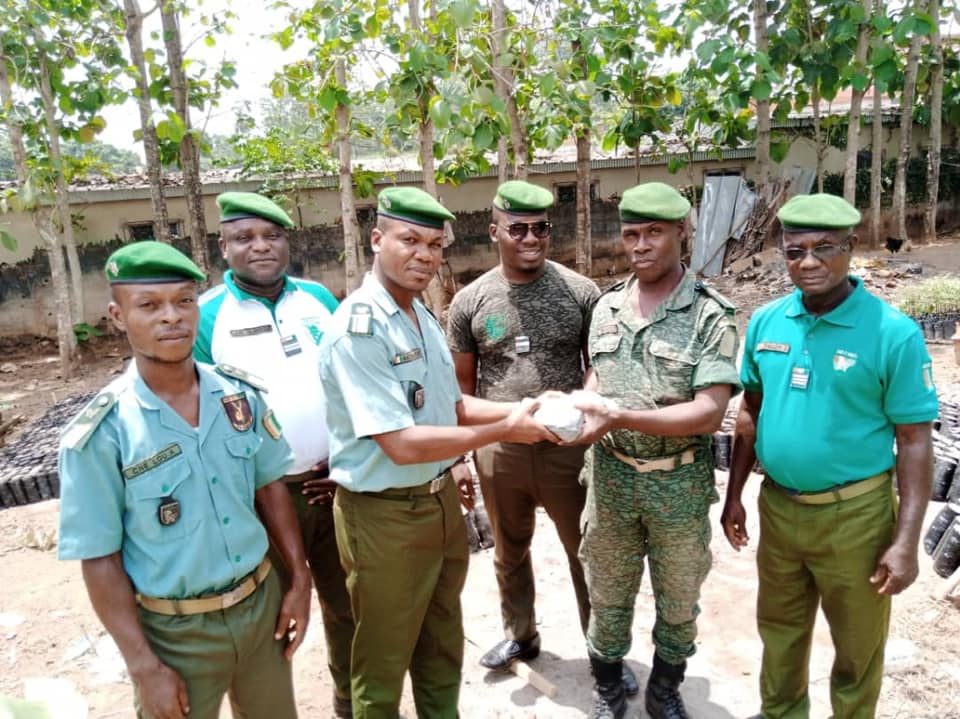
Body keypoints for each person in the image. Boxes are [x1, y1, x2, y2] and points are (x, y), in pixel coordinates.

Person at [318, 186, 555, 719]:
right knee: (381, 663)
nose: (424, 255)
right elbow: (399, 444)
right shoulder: (360, 328)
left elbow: (455, 408)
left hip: (438, 502)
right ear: (376, 240)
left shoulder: (421, 315)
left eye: (433, 244)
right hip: (383, 514)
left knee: (442, 641)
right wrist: (505, 432)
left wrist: (530, 408)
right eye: (409, 240)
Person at [58, 241, 310, 719]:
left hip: (261, 610)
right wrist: (142, 666)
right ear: (117, 315)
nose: (171, 316)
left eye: (184, 301)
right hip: (173, 635)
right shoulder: (103, 434)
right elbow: (99, 556)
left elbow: (269, 486)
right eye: (149, 306)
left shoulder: (241, 398)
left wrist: (298, 579)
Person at [720, 193, 938, 719]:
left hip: (856, 519)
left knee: (857, 647)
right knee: (780, 633)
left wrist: (906, 543)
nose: (809, 262)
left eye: (824, 248)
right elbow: (750, 410)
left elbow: (915, 441)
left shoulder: (892, 334)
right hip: (781, 510)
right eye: (795, 251)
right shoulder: (768, 322)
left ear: (852, 247)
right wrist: (734, 496)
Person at [446, 180, 631, 683]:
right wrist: (474, 449)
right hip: (501, 450)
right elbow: (460, 393)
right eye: (519, 228)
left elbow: (601, 365)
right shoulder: (469, 302)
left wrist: (574, 407)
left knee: (587, 549)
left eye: (541, 228)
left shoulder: (579, 292)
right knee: (509, 551)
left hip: (567, 449)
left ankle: (605, 650)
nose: (531, 238)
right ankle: (521, 635)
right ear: (495, 232)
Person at [572, 182, 742, 719]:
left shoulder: (711, 314)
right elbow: (597, 377)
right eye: (631, 235)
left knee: (678, 597)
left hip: (678, 483)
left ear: (683, 234)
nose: (640, 245)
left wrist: (619, 415)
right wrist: (576, 408)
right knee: (607, 591)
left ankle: (664, 688)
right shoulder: (607, 307)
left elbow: (709, 411)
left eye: (654, 233)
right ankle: (606, 686)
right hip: (612, 479)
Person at [195, 191, 355, 718]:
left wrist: (345, 460)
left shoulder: (318, 300)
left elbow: (347, 384)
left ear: (288, 241)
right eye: (245, 237)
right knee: (269, 621)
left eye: (273, 235)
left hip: (332, 484)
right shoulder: (204, 318)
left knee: (348, 606)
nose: (260, 247)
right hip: (259, 501)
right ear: (224, 247)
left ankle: (348, 703)